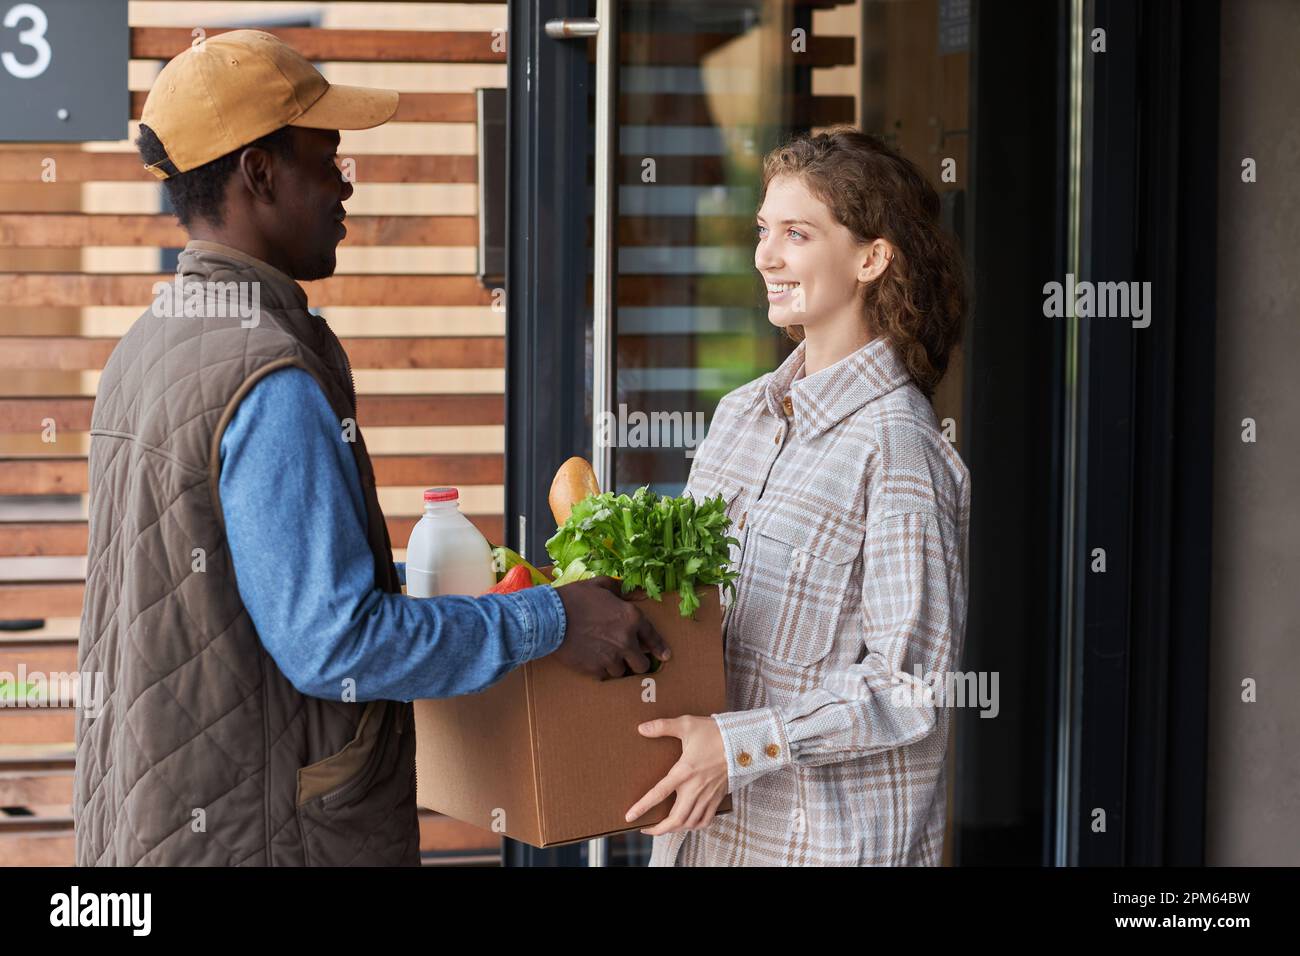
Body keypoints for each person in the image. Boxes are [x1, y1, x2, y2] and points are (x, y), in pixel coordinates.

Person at [74, 29, 665, 867]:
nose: (345, 188)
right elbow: (336, 643)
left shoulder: (147, 347)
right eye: (329, 160)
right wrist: (549, 617)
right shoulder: (265, 374)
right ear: (259, 172)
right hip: (266, 842)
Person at [628, 128, 970, 866]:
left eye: (797, 233)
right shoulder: (739, 418)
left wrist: (742, 743)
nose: (765, 256)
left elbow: (909, 687)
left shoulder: (900, 450)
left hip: (817, 846)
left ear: (871, 258)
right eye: (763, 230)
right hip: (702, 837)